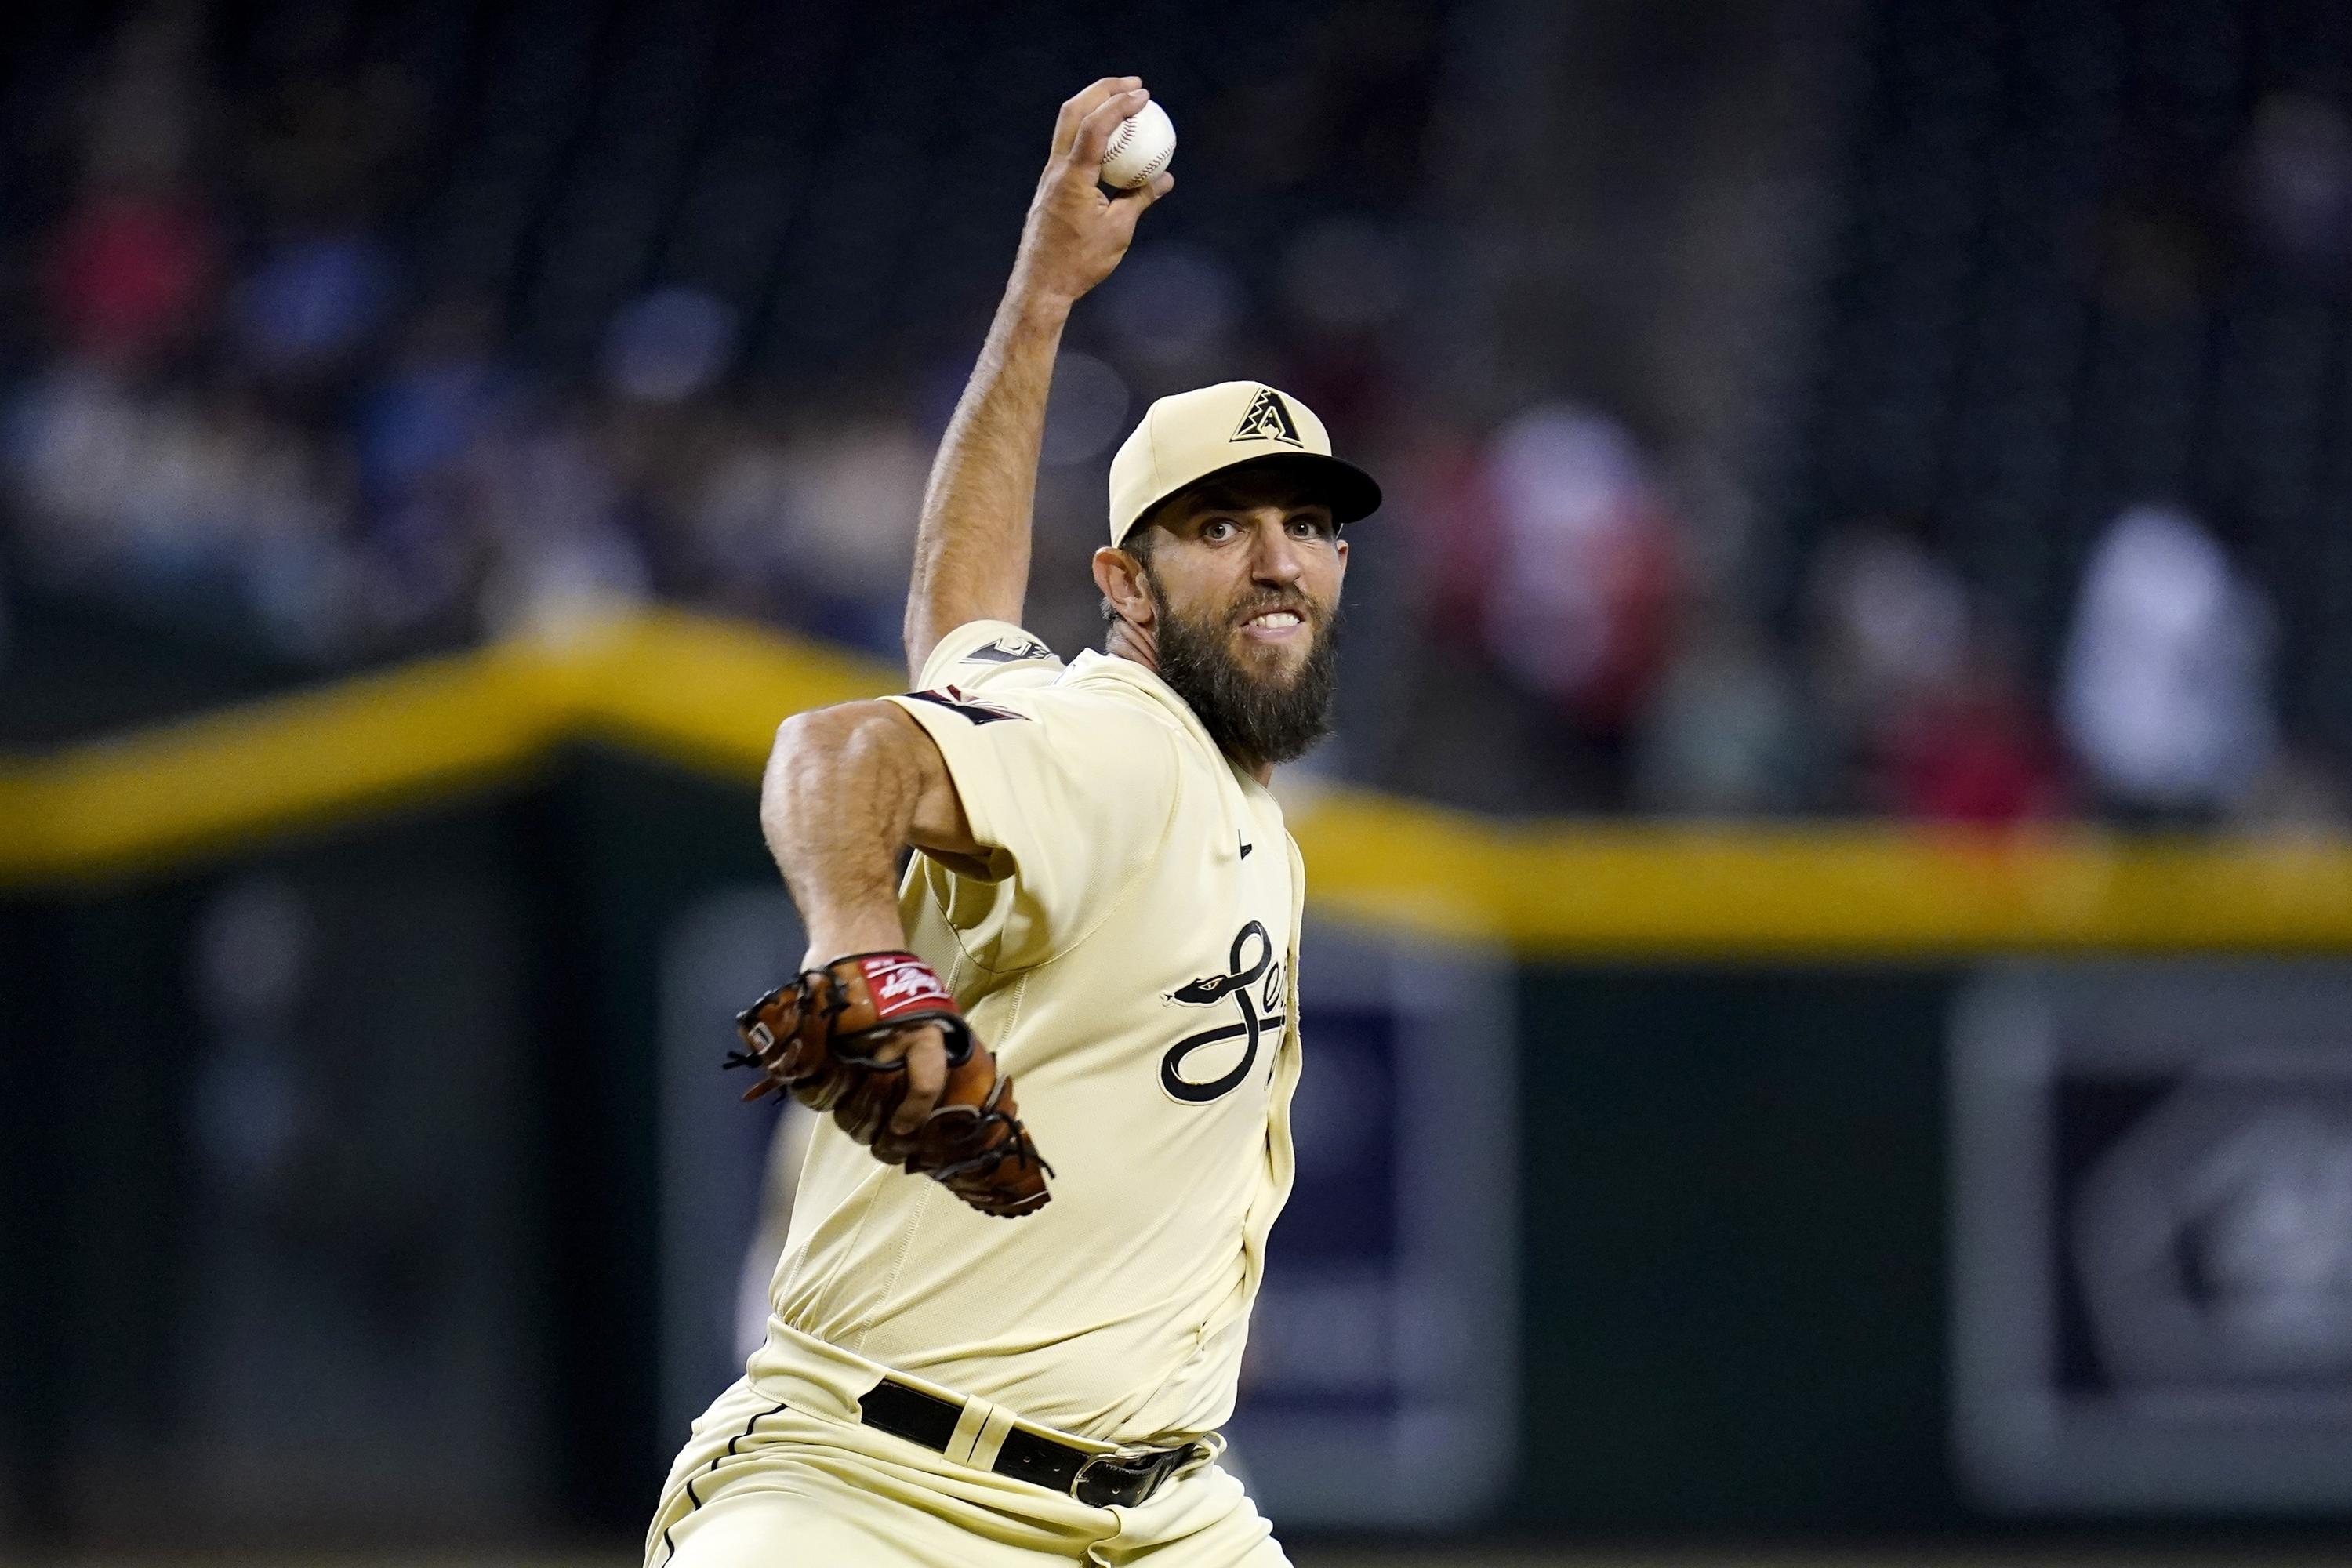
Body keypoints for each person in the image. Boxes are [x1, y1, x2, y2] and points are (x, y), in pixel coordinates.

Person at [644, 78, 1378, 1566]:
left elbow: (956, 623)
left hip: (1167, 1514)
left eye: (1309, 524)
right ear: (1124, 584)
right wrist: (864, 947)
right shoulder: (1115, 743)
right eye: (1222, 527)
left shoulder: (1176, 759)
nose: (1281, 562)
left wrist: (1042, 299)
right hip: (877, 1499)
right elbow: (839, 747)